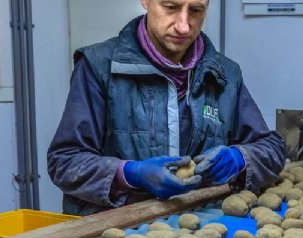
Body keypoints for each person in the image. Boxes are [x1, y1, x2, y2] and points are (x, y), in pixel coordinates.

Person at [47, 0, 285, 215]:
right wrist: (130, 174)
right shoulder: (99, 67)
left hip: (199, 227)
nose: (183, 26)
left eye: (196, 10)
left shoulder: (225, 75)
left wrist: (239, 159)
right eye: (170, 7)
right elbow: (65, 162)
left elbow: (271, 150)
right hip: (113, 232)